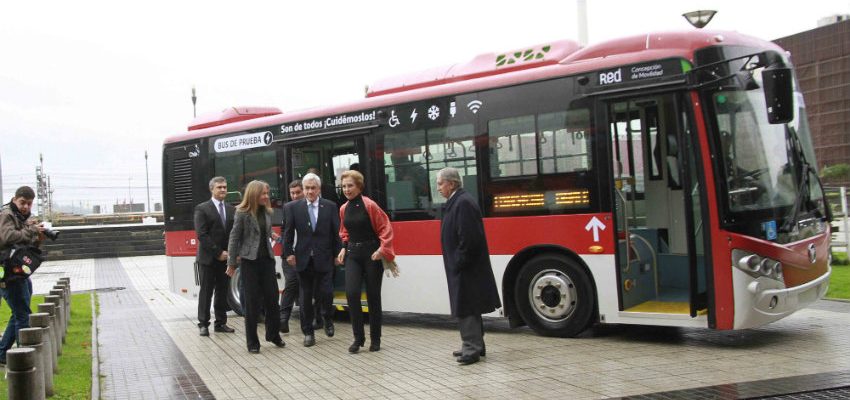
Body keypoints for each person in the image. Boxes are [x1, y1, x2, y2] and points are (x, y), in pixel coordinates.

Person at [436, 167, 501, 365]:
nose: (438, 188)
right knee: (469, 305)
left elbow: (468, 238)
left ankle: (471, 349)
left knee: (466, 306)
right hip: (464, 266)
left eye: (440, 183)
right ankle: (475, 345)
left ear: (452, 183)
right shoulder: (458, 200)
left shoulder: (462, 203)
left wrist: (458, 261)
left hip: (465, 267)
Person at [336, 170, 395, 353]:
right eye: (344, 186)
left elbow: (385, 228)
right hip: (353, 254)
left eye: (350, 185)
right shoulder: (343, 208)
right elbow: (344, 232)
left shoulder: (370, 205)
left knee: (373, 296)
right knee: (352, 294)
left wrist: (382, 249)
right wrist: (343, 248)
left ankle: (375, 339)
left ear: (359, 186)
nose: (346, 189)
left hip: (372, 254)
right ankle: (358, 338)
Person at [226, 180, 285, 353]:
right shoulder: (242, 213)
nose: (267, 197)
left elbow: (264, 231)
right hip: (249, 262)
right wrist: (231, 262)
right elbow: (234, 238)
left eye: (267, 193)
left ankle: (273, 335)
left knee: (273, 299)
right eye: (263, 194)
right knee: (251, 303)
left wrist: (274, 235)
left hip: (266, 260)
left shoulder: (266, 211)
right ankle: (253, 342)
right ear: (253, 195)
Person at [283, 173, 342, 347]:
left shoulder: (330, 206)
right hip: (303, 259)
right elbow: (287, 233)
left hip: (325, 257)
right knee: (305, 297)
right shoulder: (292, 207)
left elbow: (336, 233)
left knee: (327, 292)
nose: (309, 191)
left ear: (319, 189)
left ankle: (327, 318)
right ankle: (308, 332)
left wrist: (339, 253)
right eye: (306, 188)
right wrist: (289, 253)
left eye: (313, 188)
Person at [0, 186, 44, 365]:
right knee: (23, 314)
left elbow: (27, 241)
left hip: (19, 271)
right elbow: (8, 237)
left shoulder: (23, 218)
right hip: (7, 272)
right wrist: (32, 231)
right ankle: (23, 357)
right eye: (22, 202)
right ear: (14, 199)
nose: (25, 206)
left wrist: (39, 236)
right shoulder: (7, 215)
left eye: (29, 203)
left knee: (20, 311)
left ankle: (2, 354)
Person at [278, 179, 323, 332]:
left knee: (312, 288)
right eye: (292, 193)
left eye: (298, 192)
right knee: (291, 285)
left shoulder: (311, 208)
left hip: (308, 256)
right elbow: (285, 231)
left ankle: (317, 319)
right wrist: (287, 250)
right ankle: (283, 319)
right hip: (290, 256)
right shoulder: (289, 208)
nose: (295, 196)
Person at [194, 177, 236, 337]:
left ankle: (221, 323)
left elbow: (233, 234)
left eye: (225, 187)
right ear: (212, 189)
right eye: (219, 187)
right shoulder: (202, 209)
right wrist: (218, 253)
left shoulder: (231, 209)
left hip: (226, 259)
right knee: (206, 291)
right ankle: (203, 324)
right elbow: (202, 235)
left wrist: (230, 254)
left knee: (222, 291)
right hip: (208, 259)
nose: (223, 190)